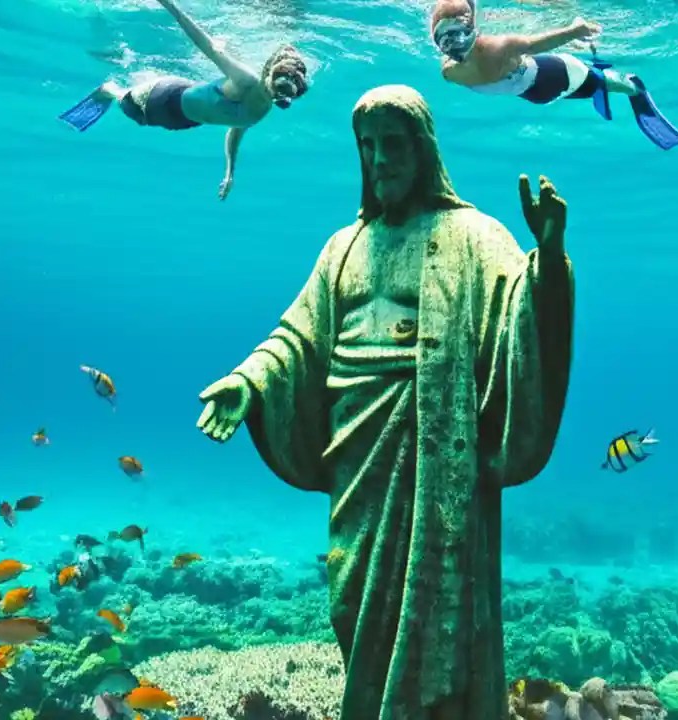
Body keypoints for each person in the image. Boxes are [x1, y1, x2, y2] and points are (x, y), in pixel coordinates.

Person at [195, 84, 575, 719]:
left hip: (436, 461)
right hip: (358, 463)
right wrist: (250, 380)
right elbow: (297, 336)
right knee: (354, 604)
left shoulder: (474, 237)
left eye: (393, 145)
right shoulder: (342, 247)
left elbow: (519, 322)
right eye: (368, 147)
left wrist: (550, 261)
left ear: (424, 150)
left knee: (439, 619)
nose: (380, 160)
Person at [57, 0, 310, 199]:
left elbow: (236, 130)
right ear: (268, 73)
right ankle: (110, 89)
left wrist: (230, 172)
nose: (277, 98)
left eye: (282, 97)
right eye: (276, 91)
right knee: (130, 108)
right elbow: (207, 46)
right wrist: (171, 6)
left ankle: (125, 86)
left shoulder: (263, 110)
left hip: (183, 120)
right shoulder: (247, 80)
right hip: (166, 96)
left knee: (142, 120)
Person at [431, 0, 678, 150]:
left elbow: (535, 44)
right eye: (446, 42)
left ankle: (632, 87)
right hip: (538, 87)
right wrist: (575, 31)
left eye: (453, 39)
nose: (452, 47)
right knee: (590, 85)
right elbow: (530, 45)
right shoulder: (473, 59)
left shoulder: (454, 69)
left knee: (594, 84)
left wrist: (575, 31)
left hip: (554, 75)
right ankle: (605, 73)